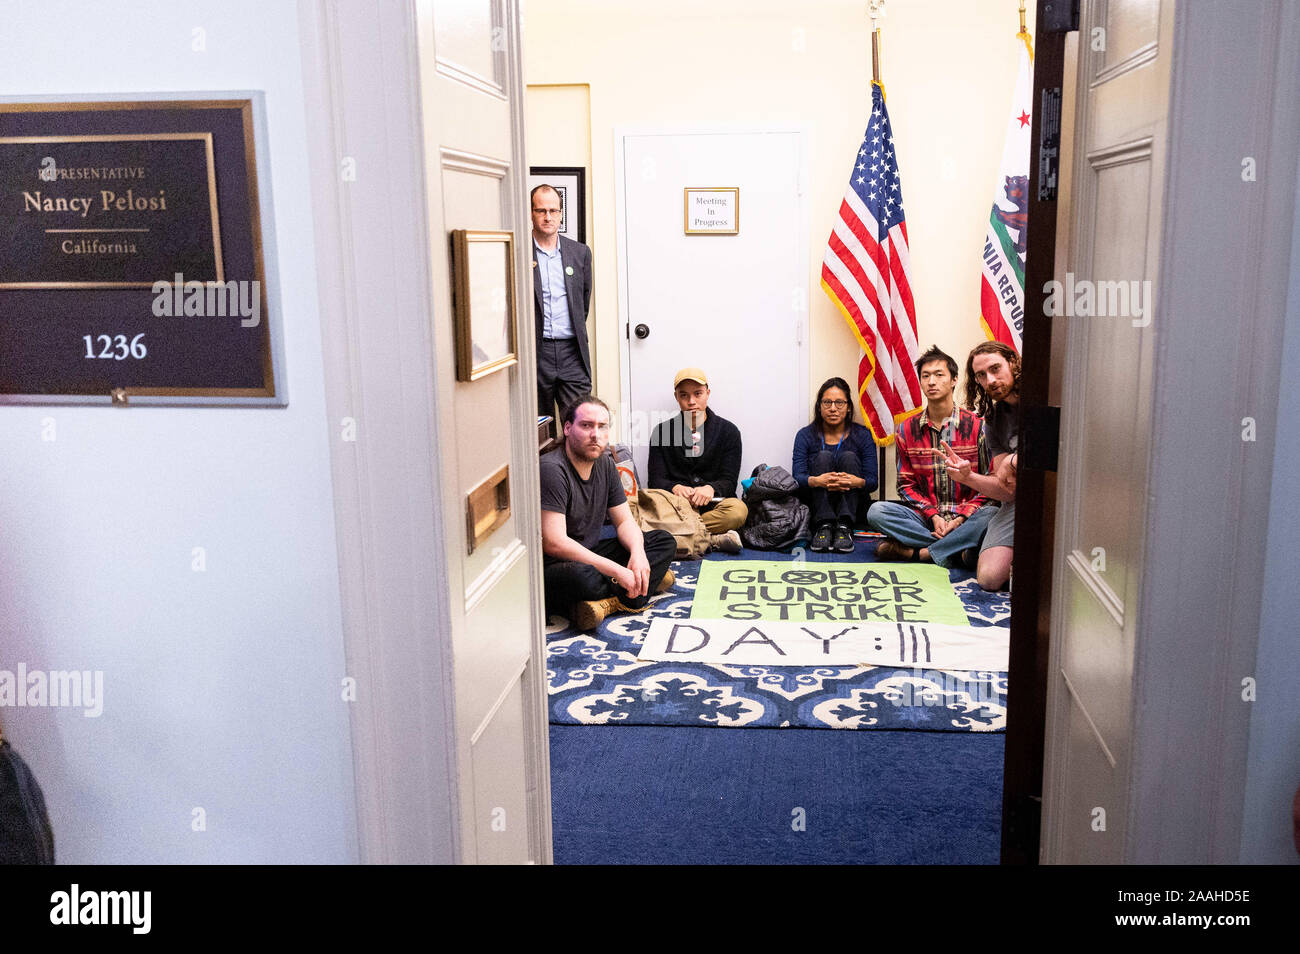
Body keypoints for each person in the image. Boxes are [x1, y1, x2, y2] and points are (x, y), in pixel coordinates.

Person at [541, 396, 677, 630]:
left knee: (663, 541)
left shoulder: (604, 464)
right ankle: (641, 587)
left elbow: (624, 520)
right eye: (586, 425)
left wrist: (638, 554)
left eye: (602, 427)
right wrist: (616, 570)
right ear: (567, 428)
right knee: (582, 577)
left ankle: (608, 603)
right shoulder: (552, 469)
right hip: (557, 565)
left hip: (590, 553)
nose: (595, 434)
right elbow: (555, 544)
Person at [867, 345, 996, 568]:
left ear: (954, 380)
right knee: (877, 511)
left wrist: (961, 518)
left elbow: (990, 483)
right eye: (925, 376)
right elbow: (905, 485)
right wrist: (933, 516)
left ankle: (921, 554)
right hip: (926, 520)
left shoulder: (977, 426)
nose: (932, 382)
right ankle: (958, 550)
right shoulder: (906, 430)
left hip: (968, 517)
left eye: (939, 375)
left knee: (992, 514)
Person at [939, 340, 1020, 591]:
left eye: (996, 369)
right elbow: (1007, 490)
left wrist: (1014, 460)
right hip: (1016, 502)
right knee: (988, 579)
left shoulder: (1044, 398)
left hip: (1056, 498)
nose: (991, 380)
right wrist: (967, 477)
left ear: (1013, 364)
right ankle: (981, 531)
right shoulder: (993, 419)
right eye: (981, 376)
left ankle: (969, 540)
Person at [647, 368, 747, 553]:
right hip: (675, 507)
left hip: (713, 508)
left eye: (697, 394)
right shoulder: (661, 432)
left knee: (738, 511)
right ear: (676, 397)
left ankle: (680, 537)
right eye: (684, 395)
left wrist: (710, 488)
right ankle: (712, 539)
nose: (691, 401)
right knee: (635, 509)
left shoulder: (728, 431)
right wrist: (674, 487)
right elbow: (655, 481)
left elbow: (729, 480)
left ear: (707, 394)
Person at [792, 377, 877, 553]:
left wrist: (856, 482)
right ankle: (824, 525)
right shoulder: (805, 435)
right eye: (827, 402)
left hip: (853, 504)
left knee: (848, 457)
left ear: (848, 407)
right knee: (823, 457)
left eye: (839, 403)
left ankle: (844, 527)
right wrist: (817, 481)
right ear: (819, 406)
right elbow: (797, 478)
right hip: (817, 505)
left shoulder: (863, 435)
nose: (833, 408)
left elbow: (872, 481)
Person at [531, 184, 593, 419]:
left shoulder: (580, 253)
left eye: (553, 211)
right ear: (531, 213)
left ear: (561, 214)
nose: (548, 217)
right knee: (539, 428)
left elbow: (583, 303)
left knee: (580, 422)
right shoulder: (519, 251)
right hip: (537, 352)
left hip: (572, 352)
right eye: (541, 211)